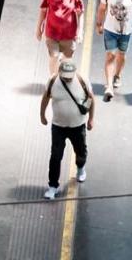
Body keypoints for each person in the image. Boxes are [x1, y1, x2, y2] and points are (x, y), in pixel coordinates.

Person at [40, 59, 93, 200]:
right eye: (65, 77)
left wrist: (91, 119)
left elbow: (91, 99)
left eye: (70, 77)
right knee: (55, 156)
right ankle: (53, 186)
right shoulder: (53, 81)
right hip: (58, 126)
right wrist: (42, 115)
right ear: (59, 73)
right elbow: (45, 98)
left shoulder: (82, 80)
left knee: (81, 150)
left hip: (78, 125)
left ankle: (80, 168)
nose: (68, 80)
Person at [37, 0, 84, 78]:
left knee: (67, 59)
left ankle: (63, 77)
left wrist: (80, 31)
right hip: (52, 33)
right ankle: (53, 79)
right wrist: (39, 28)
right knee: (54, 56)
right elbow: (43, 11)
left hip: (69, 34)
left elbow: (80, 13)